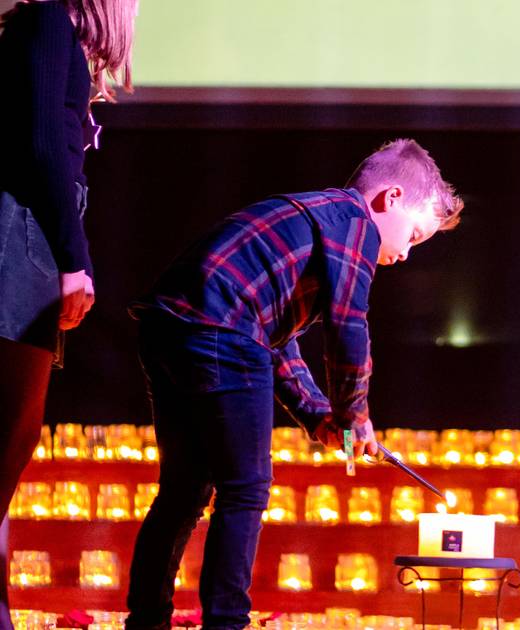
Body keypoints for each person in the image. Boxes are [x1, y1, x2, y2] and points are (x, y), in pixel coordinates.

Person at [123, 139, 463, 630]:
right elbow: (348, 327)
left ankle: (146, 621)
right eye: (412, 235)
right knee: (246, 487)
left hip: (169, 328)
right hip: (221, 330)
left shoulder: (316, 219)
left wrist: (320, 415)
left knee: (184, 490)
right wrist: (354, 417)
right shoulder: (354, 223)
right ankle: (227, 624)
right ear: (390, 199)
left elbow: (274, 341)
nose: (406, 253)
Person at [0, 1, 135, 627]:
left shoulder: (50, 31)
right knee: (13, 428)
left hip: (30, 240)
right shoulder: (46, 21)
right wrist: (74, 258)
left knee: (16, 430)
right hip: (21, 239)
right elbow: (43, 146)